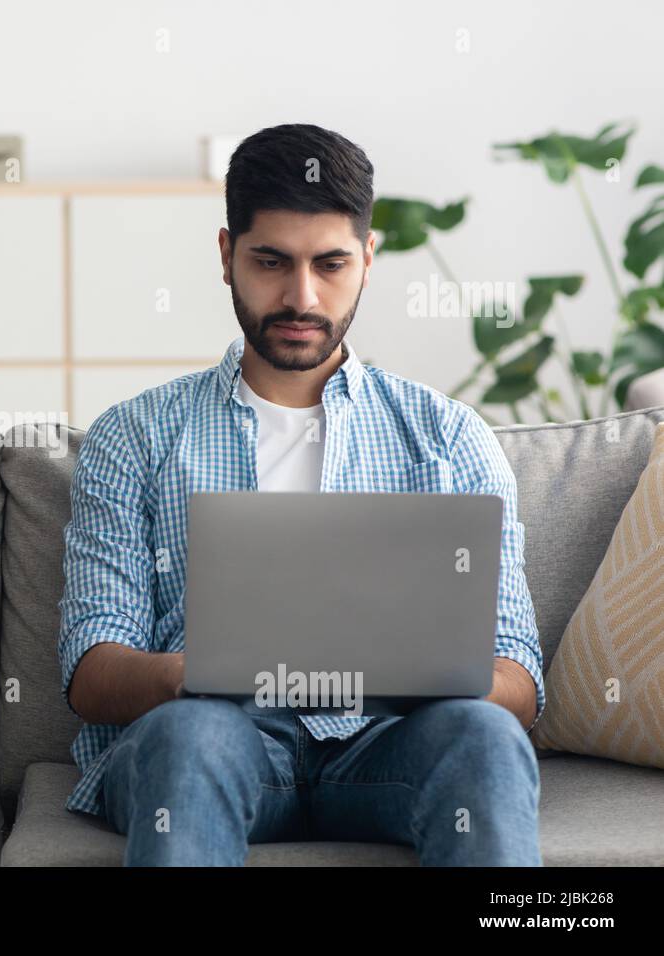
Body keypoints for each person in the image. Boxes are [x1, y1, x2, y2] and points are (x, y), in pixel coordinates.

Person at [58, 124, 544, 866]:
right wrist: (201, 673)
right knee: (190, 735)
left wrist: (416, 675)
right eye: (271, 262)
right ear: (226, 257)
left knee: (483, 734)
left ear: (369, 260)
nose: (301, 296)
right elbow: (91, 671)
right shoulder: (136, 437)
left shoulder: (450, 438)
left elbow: (518, 677)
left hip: (386, 751)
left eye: (332, 264)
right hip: (217, 745)